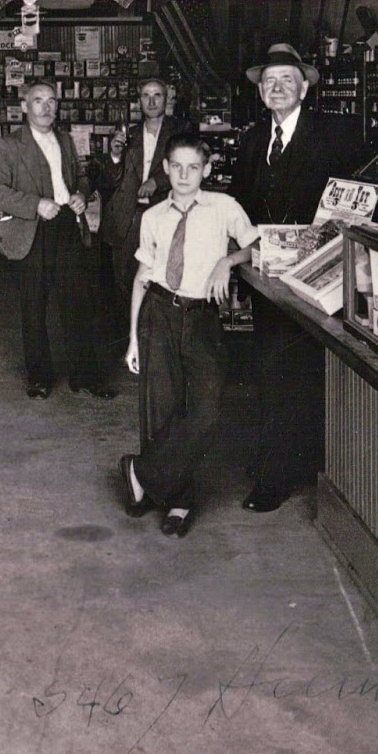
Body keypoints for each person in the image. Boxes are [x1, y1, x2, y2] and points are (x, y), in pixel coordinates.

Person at [230, 42, 366, 512]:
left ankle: (279, 475)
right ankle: (280, 459)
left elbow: (353, 201)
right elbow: (238, 205)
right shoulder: (251, 141)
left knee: (295, 370)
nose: (277, 87)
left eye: (287, 80)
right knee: (268, 367)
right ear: (261, 92)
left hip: (315, 277)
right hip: (264, 274)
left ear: (304, 88)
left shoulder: (331, 138)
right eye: (269, 82)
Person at [119, 134, 257, 538]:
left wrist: (226, 262)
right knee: (161, 409)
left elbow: (255, 243)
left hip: (202, 317)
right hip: (159, 312)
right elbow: (142, 278)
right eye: (176, 166)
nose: (183, 175)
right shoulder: (153, 217)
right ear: (164, 168)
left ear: (207, 170)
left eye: (192, 167)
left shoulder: (224, 207)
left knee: (206, 409)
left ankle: (140, 473)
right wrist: (132, 338)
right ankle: (179, 501)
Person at [0, 80, 113, 400]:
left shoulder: (67, 141)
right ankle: (39, 376)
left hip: (67, 226)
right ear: (24, 107)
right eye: (38, 100)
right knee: (34, 307)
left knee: (78, 304)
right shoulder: (10, 145)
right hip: (32, 230)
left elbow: (81, 178)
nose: (46, 106)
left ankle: (84, 376)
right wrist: (34, 205)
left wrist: (81, 195)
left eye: (52, 101)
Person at [100, 79, 189, 311]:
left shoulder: (181, 130)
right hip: (128, 220)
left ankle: (152, 338)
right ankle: (133, 337)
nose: (151, 101)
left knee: (161, 281)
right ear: (139, 101)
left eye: (157, 95)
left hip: (163, 216)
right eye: (146, 95)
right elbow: (111, 180)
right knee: (125, 282)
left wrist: (157, 181)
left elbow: (187, 165)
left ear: (166, 99)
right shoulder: (128, 135)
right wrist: (115, 156)